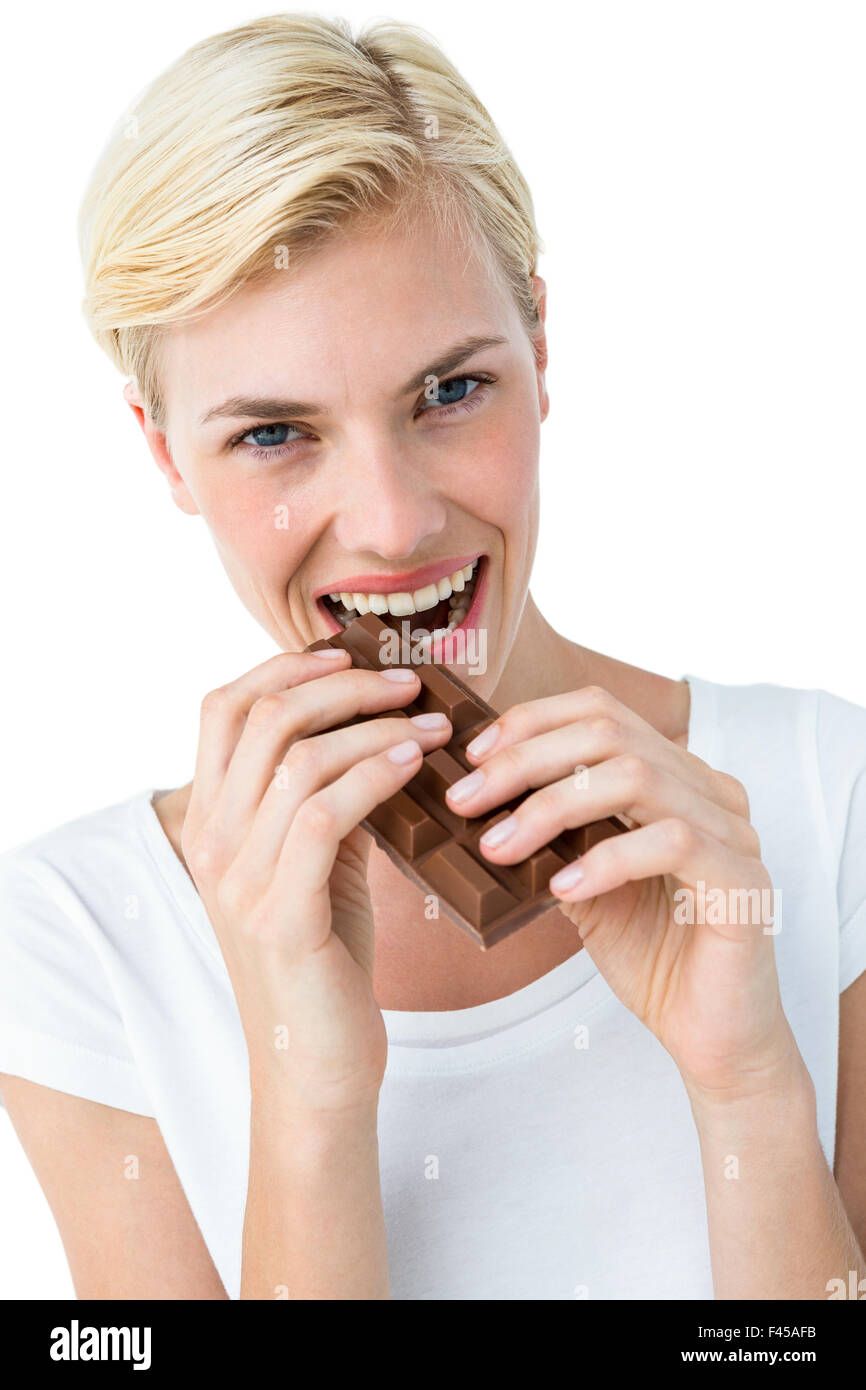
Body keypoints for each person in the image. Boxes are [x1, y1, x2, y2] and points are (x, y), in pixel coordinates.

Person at [1, 13, 864, 1301]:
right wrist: (309, 1100)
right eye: (277, 433)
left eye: (450, 392)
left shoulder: (826, 799)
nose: (395, 526)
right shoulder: (73, 939)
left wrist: (749, 1092)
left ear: (543, 354)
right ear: (166, 455)